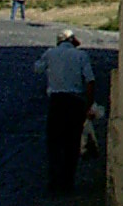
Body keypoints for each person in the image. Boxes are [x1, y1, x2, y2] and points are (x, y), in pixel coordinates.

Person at [34, 28, 95, 192]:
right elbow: (90, 80)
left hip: (56, 102)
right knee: (72, 143)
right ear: (72, 40)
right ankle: (68, 182)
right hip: (75, 102)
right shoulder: (81, 55)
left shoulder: (50, 53)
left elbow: (37, 68)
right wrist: (89, 105)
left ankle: (54, 181)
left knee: (54, 142)